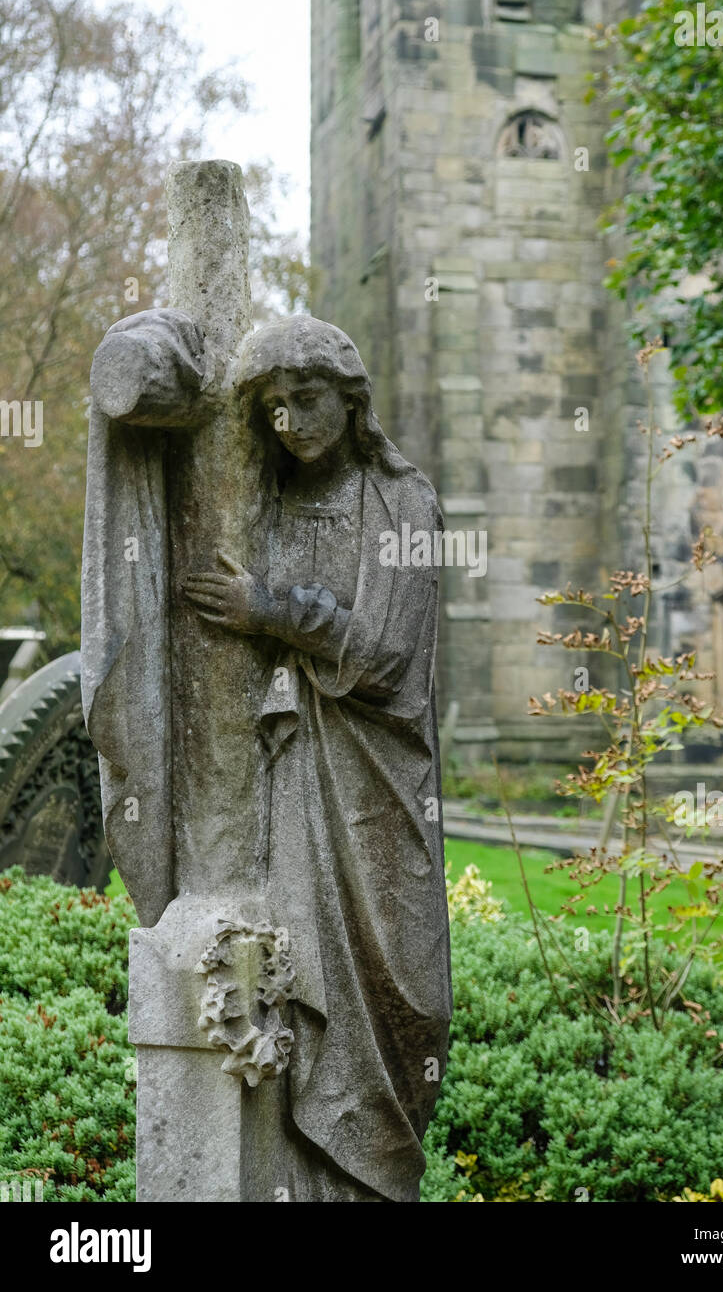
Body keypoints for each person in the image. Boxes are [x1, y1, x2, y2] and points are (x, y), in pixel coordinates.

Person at [183, 317, 452, 1202]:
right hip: (298, 777)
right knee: (305, 975)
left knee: (403, 994)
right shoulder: (264, 500)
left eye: (306, 399)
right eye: (272, 407)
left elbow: (382, 658)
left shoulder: (402, 504)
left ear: (350, 397)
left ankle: (379, 1174)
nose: (290, 420)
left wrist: (269, 608)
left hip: (380, 780)